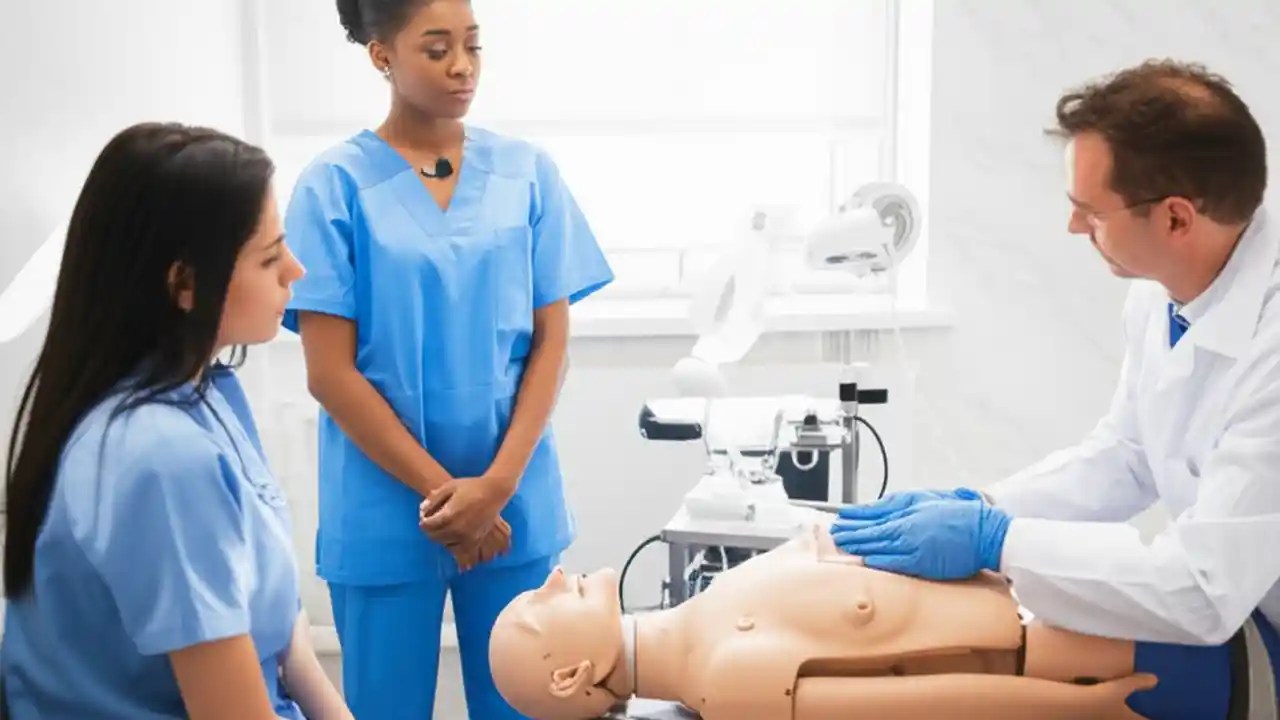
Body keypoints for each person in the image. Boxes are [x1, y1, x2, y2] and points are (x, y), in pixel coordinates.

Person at [827, 60, 1280, 715]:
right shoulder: (1163, 296)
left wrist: (997, 539)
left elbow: (1203, 590)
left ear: (1178, 220)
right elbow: (1127, 454)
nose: (1075, 229)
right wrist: (985, 502)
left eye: (1090, 214)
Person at [281, 0, 613, 716]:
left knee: (523, 699)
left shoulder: (526, 173)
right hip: (384, 506)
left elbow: (550, 339)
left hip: (511, 498)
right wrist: (449, 497)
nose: (462, 66)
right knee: (385, 707)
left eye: (472, 45)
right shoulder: (332, 185)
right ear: (381, 56)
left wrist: (494, 488)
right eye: (436, 49)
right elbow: (328, 372)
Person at [0, 122, 351, 719]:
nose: (296, 270)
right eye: (270, 257)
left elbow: (287, 640)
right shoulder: (158, 456)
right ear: (184, 284)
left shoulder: (208, 395)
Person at [483, 523, 1250, 720]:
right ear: (568, 675)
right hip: (1105, 670)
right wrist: (1074, 706)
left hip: (1098, 603)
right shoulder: (728, 679)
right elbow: (926, 705)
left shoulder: (711, 608)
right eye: (540, 609)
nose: (552, 578)